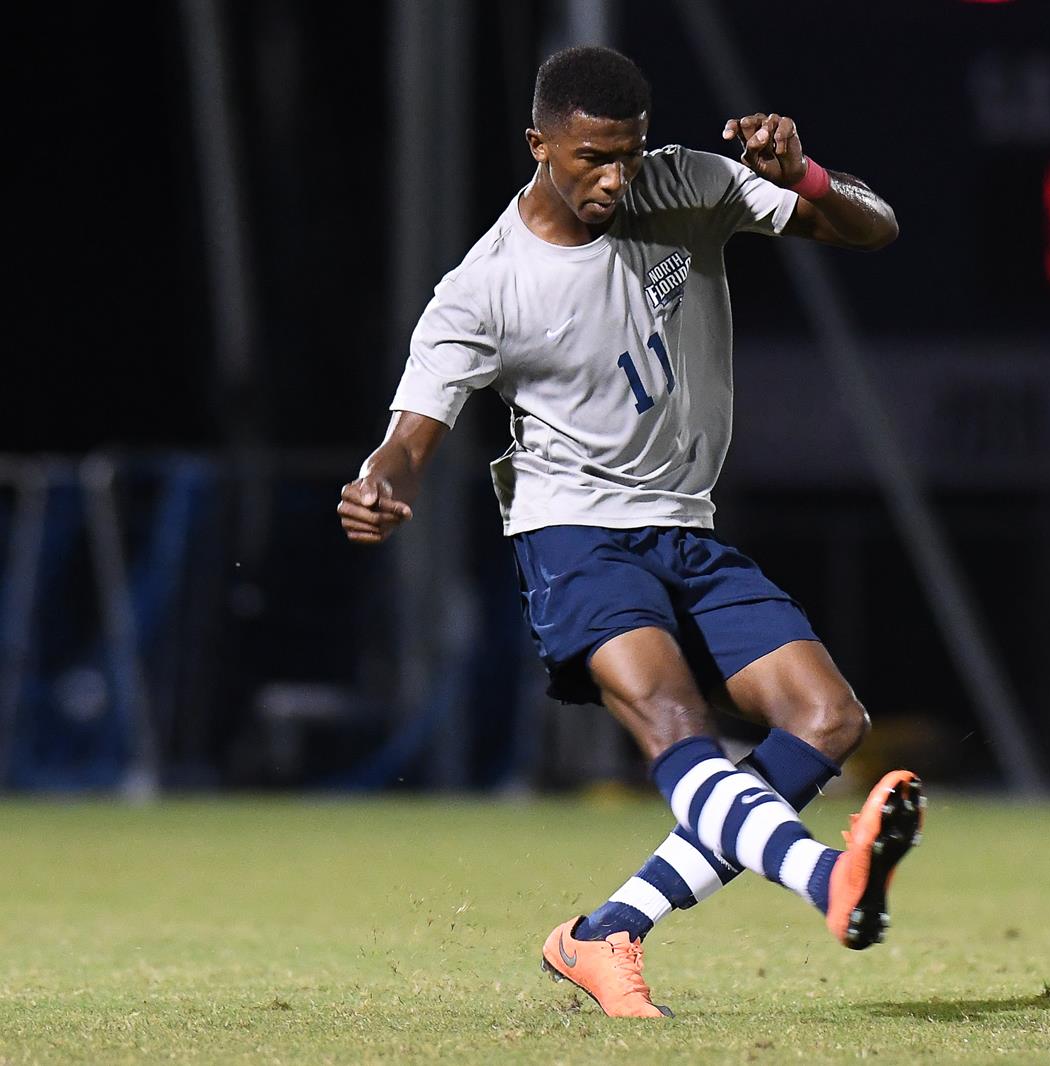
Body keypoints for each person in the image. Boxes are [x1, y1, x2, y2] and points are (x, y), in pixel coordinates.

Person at [337, 46, 920, 1016]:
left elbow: (874, 227)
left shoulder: (684, 183)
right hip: (576, 536)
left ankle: (603, 933)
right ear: (539, 145)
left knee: (829, 720)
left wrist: (805, 177)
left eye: (629, 154)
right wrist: (377, 484)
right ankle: (826, 878)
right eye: (592, 158)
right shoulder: (485, 286)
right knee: (677, 726)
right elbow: (408, 438)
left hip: (685, 527)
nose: (615, 177)